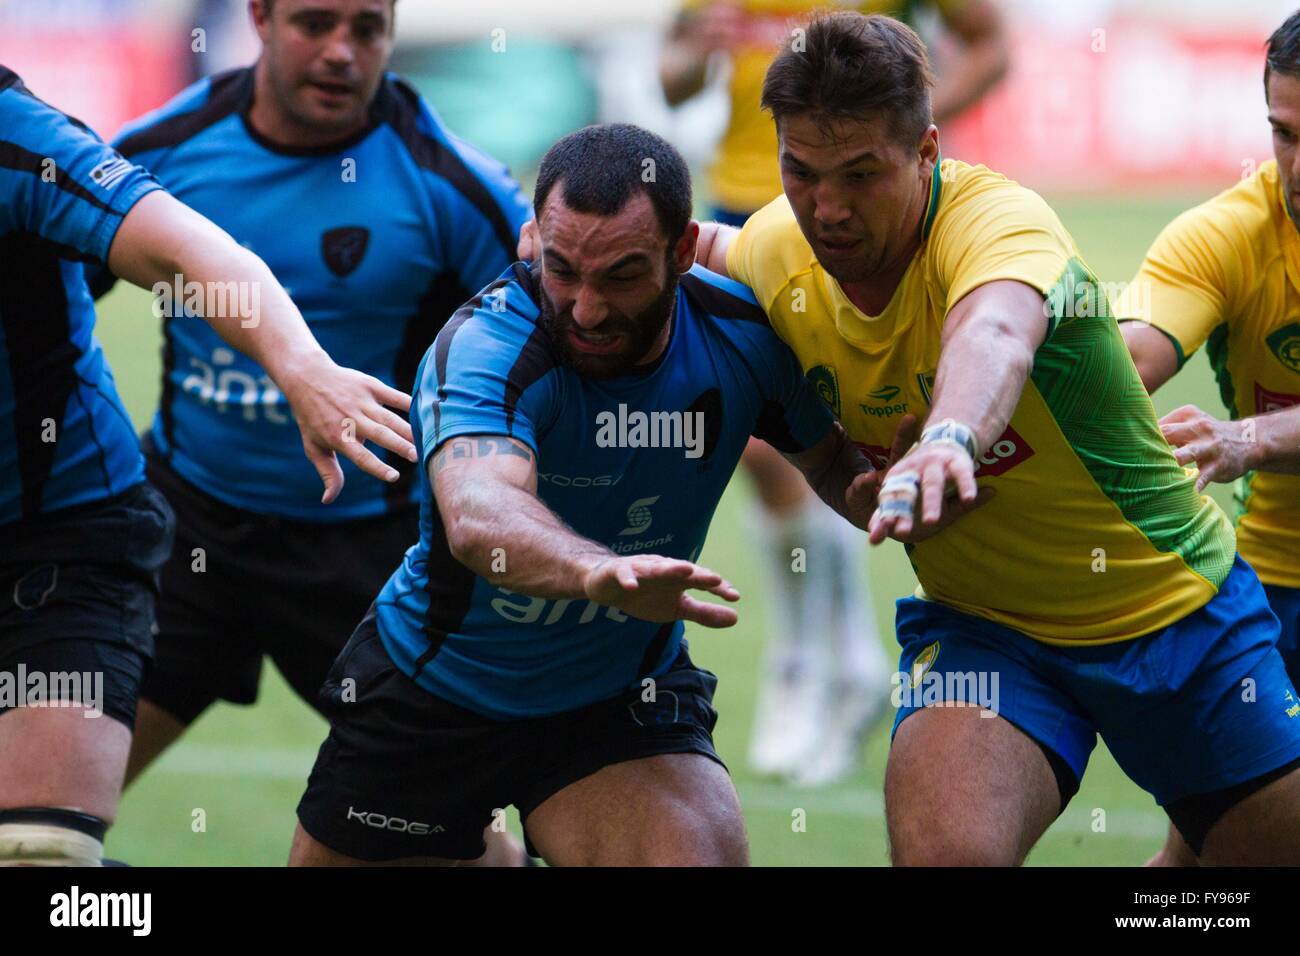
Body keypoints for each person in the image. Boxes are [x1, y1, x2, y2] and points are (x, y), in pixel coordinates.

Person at [694, 11, 1300, 865]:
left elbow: (997, 336)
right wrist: (537, 270)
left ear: (927, 153)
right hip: (988, 633)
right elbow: (696, 251)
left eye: (861, 174)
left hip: (1174, 617)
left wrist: (949, 440)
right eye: (801, 171)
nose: (826, 209)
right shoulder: (778, 247)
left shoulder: (1000, 224)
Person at [289, 123, 948, 865]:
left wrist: (882, 495)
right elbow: (479, 517)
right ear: (531, 238)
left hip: (617, 697)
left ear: (683, 249)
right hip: (431, 687)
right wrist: (597, 575)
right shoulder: (484, 345)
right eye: (563, 270)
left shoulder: (744, 337)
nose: (588, 308)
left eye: (623, 276)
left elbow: (831, 466)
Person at [90, 0, 530, 863]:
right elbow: (47, 308)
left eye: (366, 28)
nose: (341, 52)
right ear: (257, 15)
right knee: (29, 815)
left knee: (462, 849)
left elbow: (543, 359)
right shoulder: (159, 154)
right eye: (314, 23)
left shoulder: (453, 185)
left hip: (371, 557)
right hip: (183, 539)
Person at [0, 65, 414, 866]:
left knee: (37, 854)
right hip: (185, 537)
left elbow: (192, 257)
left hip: (55, 548)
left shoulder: (24, 143)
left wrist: (303, 370)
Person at [660, 0, 1008, 785]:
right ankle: (831, 660)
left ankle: (821, 665)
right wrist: (694, 52)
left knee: (828, 428)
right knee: (759, 439)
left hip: (864, 209)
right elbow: (675, 79)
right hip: (745, 203)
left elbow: (992, 47)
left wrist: (878, 152)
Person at [1118, 9, 1300, 867]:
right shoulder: (1228, 234)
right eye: (1285, 134)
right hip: (1277, 590)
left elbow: (1252, 438)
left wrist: (1252, 438)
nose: (1299, 168)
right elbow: (1125, 366)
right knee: (1207, 862)